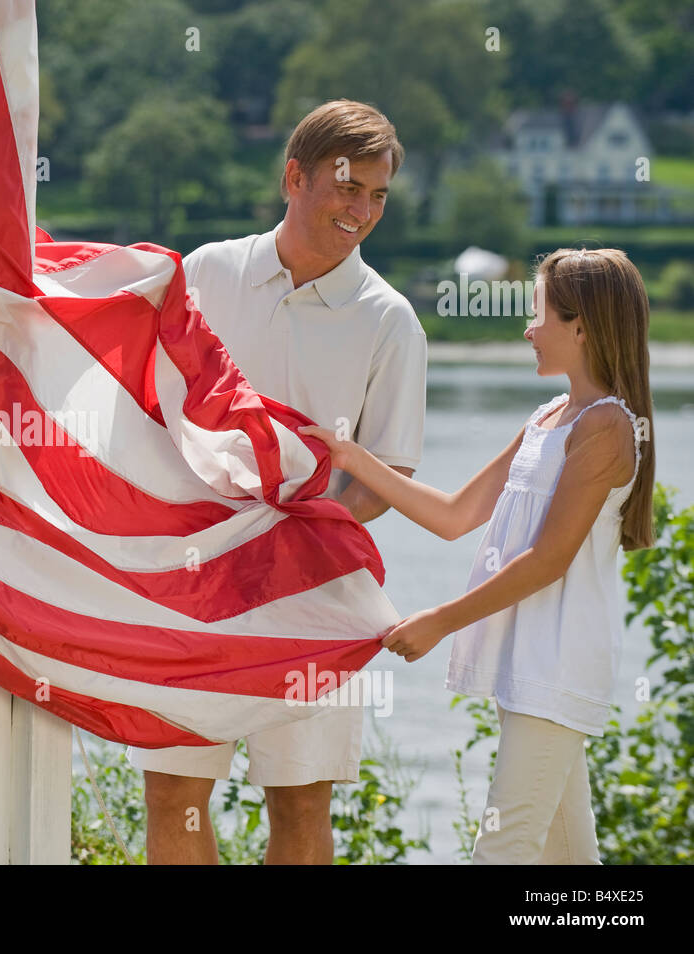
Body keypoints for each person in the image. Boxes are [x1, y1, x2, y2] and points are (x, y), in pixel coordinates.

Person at [126, 99, 428, 864]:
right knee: (172, 797)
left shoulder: (390, 321)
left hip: (313, 601)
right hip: (190, 594)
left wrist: (275, 553)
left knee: (299, 809)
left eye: (378, 194)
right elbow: (148, 418)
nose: (362, 210)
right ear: (294, 176)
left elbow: (385, 479)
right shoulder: (204, 274)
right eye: (347, 187)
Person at [300, 248, 654, 864]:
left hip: (557, 666)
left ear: (581, 326)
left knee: (502, 851)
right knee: (567, 863)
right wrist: (354, 459)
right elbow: (456, 514)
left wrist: (440, 621)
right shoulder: (549, 418)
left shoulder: (604, 427)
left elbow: (548, 559)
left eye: (538, 313)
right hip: (531, 667)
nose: (527, 328)